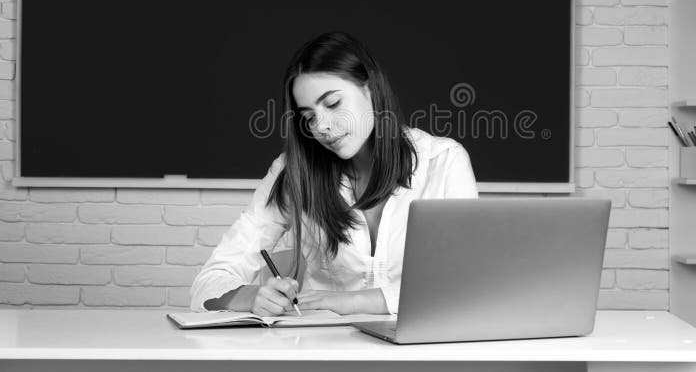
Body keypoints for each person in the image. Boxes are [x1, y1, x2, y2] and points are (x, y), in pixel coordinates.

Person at [189, 31, 479, 316]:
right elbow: (210, 281)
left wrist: (350, 301)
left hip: (419, 352)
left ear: (370, 90)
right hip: (325, 350)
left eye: (332, 104)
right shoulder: (293, 172)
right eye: (309, 116)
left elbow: (466, 287)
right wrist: (253, 296)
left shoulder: (443, 162)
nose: (321, 127)